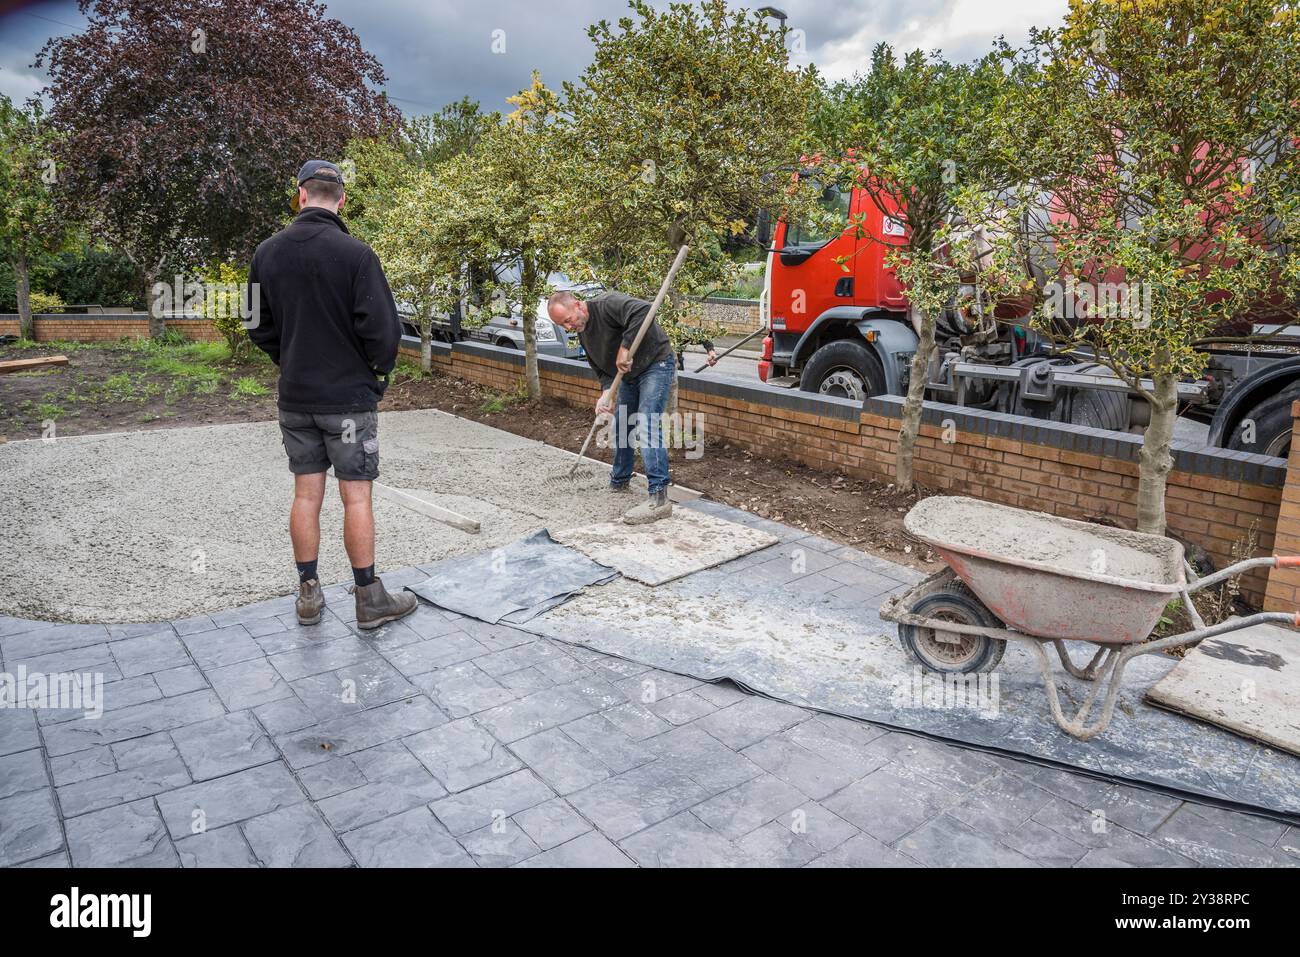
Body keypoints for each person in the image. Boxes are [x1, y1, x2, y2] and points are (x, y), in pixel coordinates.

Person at [246, 159, 418, 630]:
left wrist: (290, 360)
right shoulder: (357, 254)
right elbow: (384, 331)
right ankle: (369, 599)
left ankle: (308, 594)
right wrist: (376, 374)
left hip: (295, 399)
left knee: (306, 495)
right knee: (356, 498)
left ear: (300, 196)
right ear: (340, 200)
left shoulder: (266, 254)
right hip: (347, 401)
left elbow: (255, 325)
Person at [547, 289, 675, 524]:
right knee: (622, 428)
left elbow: (644, 309)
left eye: (567, 320)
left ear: (577, 305)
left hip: (655, 364)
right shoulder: (584, 332)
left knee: (646, 425)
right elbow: (601, 367)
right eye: (563, 325)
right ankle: (620, 479)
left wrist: (624, 348)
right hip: (627, 376)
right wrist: (607, 391)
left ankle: (659, 498)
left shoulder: (606, 304)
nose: (568, 328)